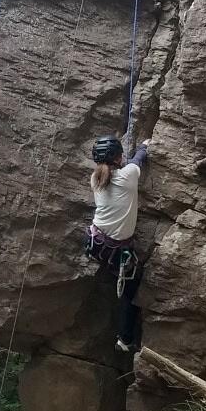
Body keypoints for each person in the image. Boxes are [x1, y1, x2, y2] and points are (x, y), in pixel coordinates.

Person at [83, 134, 150, 353]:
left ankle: (121, 335)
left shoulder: (95, 179)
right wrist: (144, 145)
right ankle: (125, 338)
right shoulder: (128, 175)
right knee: (130, 289)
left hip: (97, 243)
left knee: (119, 278)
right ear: (119, 157)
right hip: (117, 249)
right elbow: (138, 159)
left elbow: (127, 166)